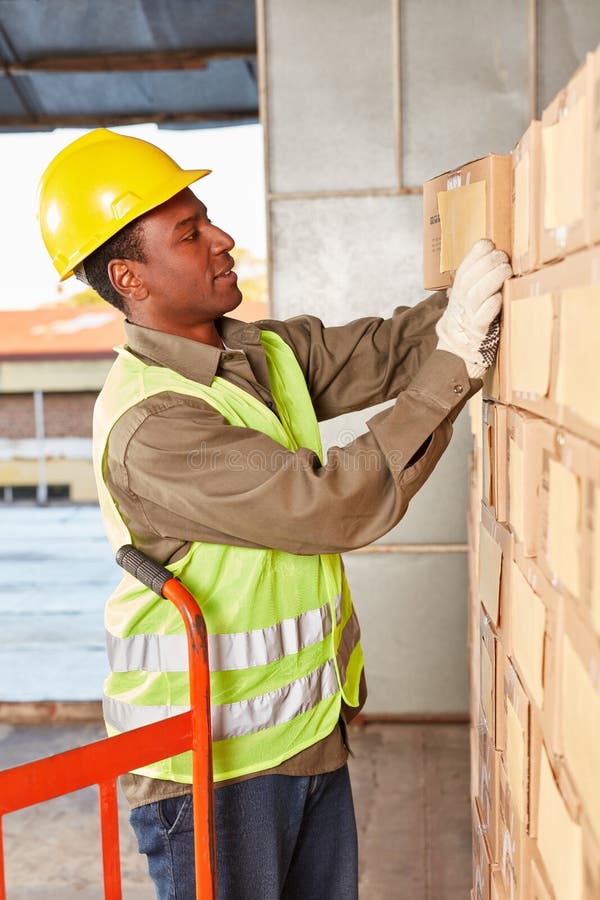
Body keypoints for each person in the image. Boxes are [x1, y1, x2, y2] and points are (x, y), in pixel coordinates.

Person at [38, 128, 512, 900]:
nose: (223, 240)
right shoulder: (152, 424)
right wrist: (457, 359)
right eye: (190, 234)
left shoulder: (258, 354)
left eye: (207, 218)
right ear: (130, 276)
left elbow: (389, 350)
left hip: (305, 735)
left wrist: (473, 296)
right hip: (209, 767)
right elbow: (330, 504)